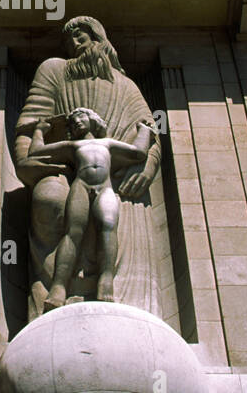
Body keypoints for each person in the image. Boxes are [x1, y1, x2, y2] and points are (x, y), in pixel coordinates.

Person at [28, 108, 156, 310]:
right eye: (72, 122)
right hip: (81, 186)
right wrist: (39, 131)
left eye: (81, 117)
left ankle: (106, 282)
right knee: (73, 232)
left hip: (105, 187)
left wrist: (144, 130)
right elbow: (36, 151)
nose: (77, 122)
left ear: (94, 120)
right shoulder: (73, 145)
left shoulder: (108, 143)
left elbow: (139, 153)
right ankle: (59, 287)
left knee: (108, 227)